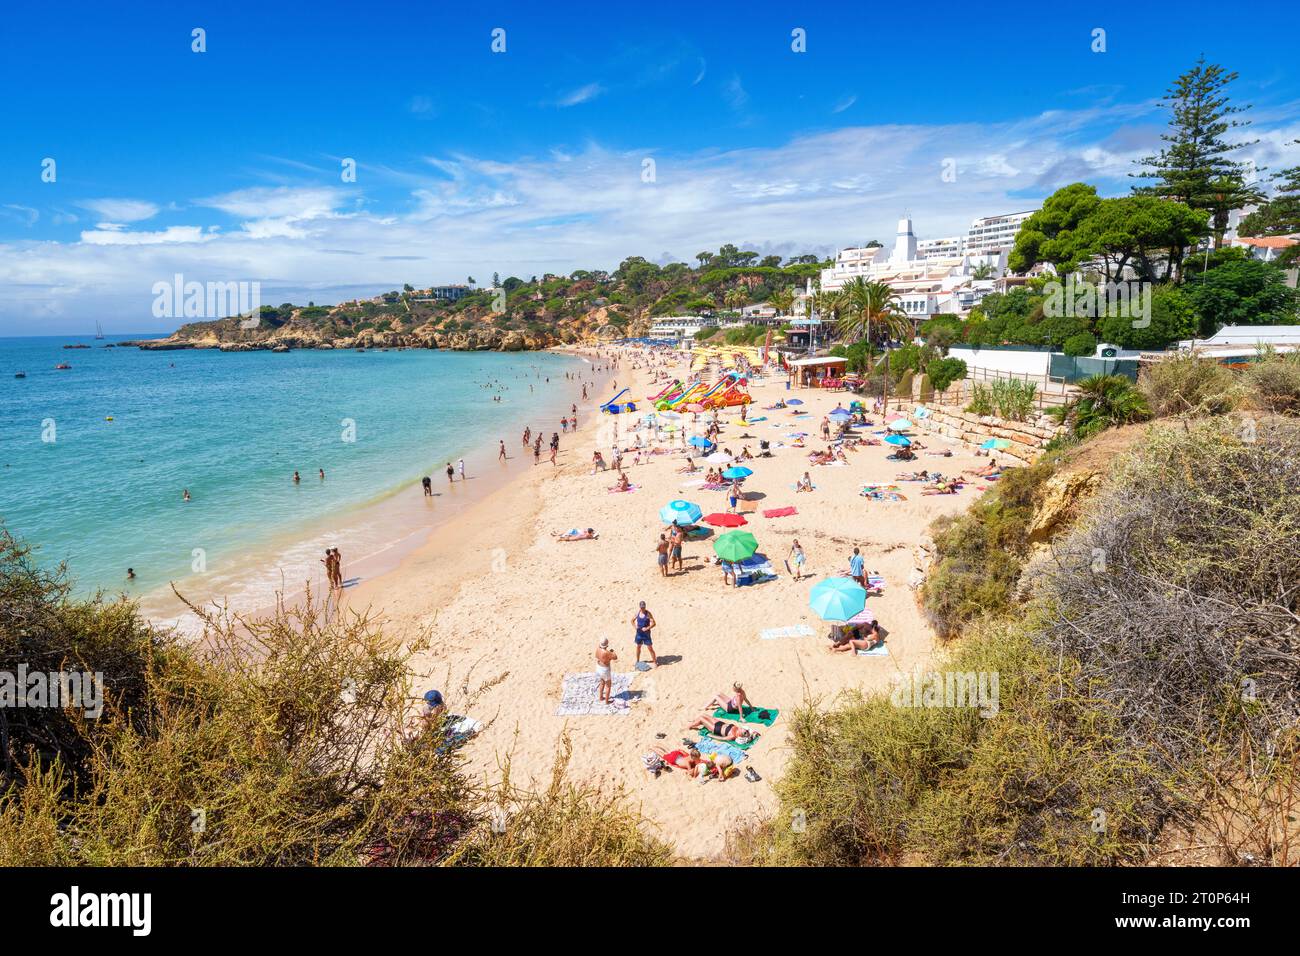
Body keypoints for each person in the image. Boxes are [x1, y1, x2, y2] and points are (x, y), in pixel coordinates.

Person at [689, 713, 756, 744]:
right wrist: (753, 733)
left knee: (702, 719)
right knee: (703, 715)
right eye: (746, 730)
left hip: (715, 728)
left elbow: (722, 738)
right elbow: (752, 732)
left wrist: (711, 735)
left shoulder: (733, 736)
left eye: (745, 732)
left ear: (741, 735)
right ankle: (694, 722)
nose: (745, 730)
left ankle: (689, 726)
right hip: (720, 723)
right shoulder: (738, 728)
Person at [633, 601, 657, 667]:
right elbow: (632, 620)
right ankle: (637, 661)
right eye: (641, 607)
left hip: (646, 634)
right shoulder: (637, 613)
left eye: (643, 607)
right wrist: (635, 627)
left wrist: (647, 628)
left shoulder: (648, 614)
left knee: (650, 648)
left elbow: (654, 623)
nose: (642, 609)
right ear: (640, 607)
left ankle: (655, 662)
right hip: (639, 634)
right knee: (638, 647)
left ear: (645, 606)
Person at [595, 638, 618, 703]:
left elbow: (597, 656)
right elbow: (615, 657)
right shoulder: (607, 652)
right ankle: (606, 701)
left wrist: (607, 657)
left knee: (602, 682)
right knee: (608, 685)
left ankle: (601, 697)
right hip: (605, 670)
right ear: (607, 645)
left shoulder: (598, 649)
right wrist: (612, 652)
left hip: (598, 667)